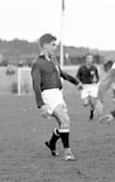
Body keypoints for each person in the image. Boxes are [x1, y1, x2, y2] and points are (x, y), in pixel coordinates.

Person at [31, 33, 81, 161]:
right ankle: (68, 153)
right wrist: (41, 104)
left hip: (58, 94)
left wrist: (76, 82)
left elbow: (62, 73)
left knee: (63, 124)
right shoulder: (37, 64)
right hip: (48, 95)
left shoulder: (53, 60)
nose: (55, 47)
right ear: (44, 45)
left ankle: (52, 143)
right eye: (53, 45)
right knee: (65, 120)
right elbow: (36, 85)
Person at [76, 54, 101, 120]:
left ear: (92, 60)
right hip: (84, 86)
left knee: (93, 102)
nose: (90, 60)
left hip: (93, 86)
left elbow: (98, 77)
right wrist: (79, 83)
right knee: (85, 103)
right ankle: (89, 100)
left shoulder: (94, 68)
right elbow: (77, 76)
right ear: (86, 59)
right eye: (88, 58)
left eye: (91, 58)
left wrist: (96, 80)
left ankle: (91, 114)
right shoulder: (81, 68)